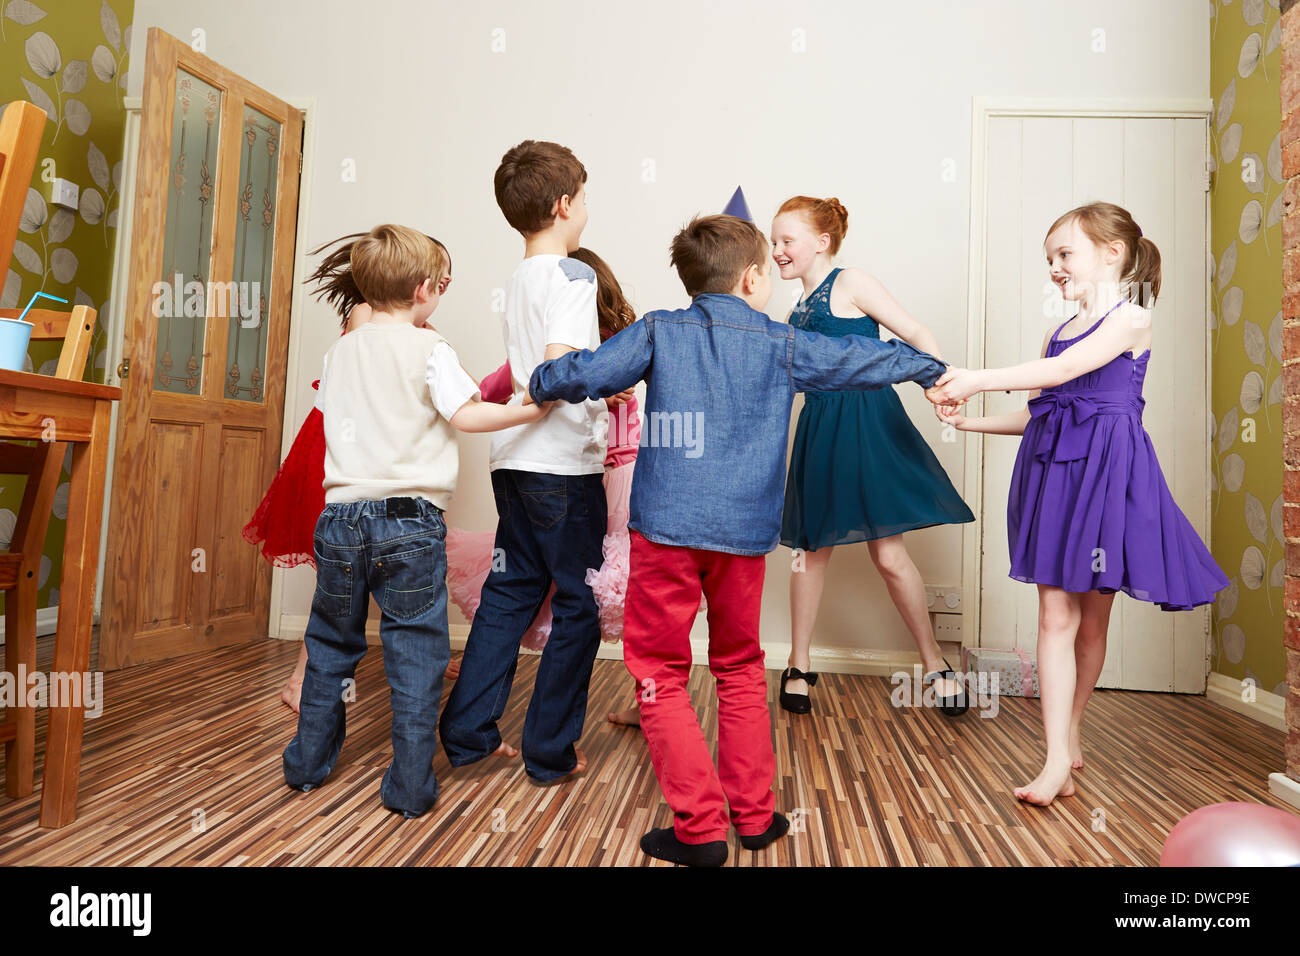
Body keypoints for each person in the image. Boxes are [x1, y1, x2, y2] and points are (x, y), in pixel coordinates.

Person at [529, 213, 950, 865]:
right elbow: (858, 359)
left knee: (661, 674)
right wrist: (928, 369)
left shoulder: (661, 330)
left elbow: (580, 375)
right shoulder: (782, 342)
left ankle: (698, 830)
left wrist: (541, 377)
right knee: (739, 666)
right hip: (742, 537)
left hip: (667, 531)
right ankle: (753, 819)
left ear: (694, 282)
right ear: (753, 276)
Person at [927, 201, 1229, 806]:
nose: (1055, 269)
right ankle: (1057, 758)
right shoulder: (1056, 331)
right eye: (1050, 260)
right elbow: (1039, 409)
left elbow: (1067, 369)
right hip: (1055, 475)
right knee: (1054, 617)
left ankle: (1069, 733)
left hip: (1106, 475)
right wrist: (969, 421)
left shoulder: (1131, 319)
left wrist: (976, 376)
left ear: (1112, 253)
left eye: (1065, 254)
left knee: (1092, 618)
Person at [281, 224, 547, 817]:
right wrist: (527, 408)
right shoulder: (431, 349)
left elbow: (331, 419)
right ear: (424, 288)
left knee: (329, 643)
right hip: (408, 521)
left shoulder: (340, 349)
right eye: (444, 284)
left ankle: (305, 766)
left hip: (341, 519)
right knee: (415, 652)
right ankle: (408, 787)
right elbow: (466, 415)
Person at [438, 141, 607, 784]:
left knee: (509, 594)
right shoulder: (574, 276)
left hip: (512, 464)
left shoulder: (518, 280)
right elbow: (558, 371)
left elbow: (532, 370)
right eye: (584, 197)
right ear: (564, 206)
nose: (586, 208)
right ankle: (549, 752)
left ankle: (468, 735)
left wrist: (588, 380)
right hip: (563, 469)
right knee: (578, 606)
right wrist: (602, 377)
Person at [771, 196, 974, 716]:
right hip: (819, 425)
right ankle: (798, 664)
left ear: (821, 242)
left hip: (866, 422)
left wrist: (940, 381)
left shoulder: (851, 282)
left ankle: (933, 663)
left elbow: (918, 335)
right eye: (773, 242)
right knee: (809, 552)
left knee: (888, 554)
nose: (776, 251)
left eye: (785, 240)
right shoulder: (794, 306)